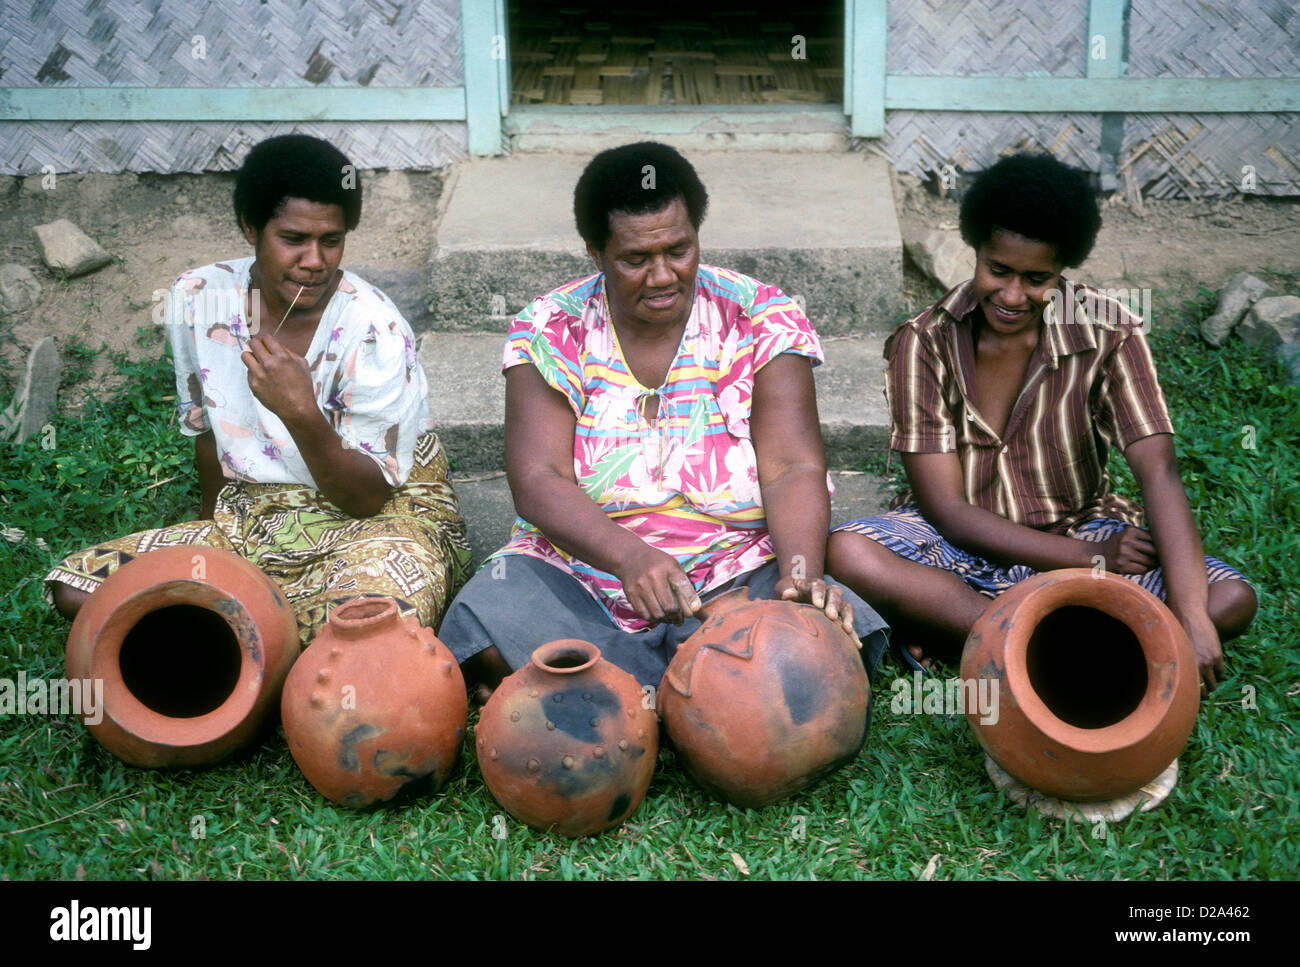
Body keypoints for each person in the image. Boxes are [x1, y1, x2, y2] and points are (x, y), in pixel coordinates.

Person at [439, 141, 889, 695]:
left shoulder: (760, 318)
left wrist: (801, 578)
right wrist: (628, 556)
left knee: (809, 636)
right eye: (635, 259)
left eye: (679, 250)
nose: (661, 277)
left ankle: (628, 685)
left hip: (738, 568)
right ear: (595, 251)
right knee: (488, 624)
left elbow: (793, 466)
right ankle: (704, 679)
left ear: (697, 234)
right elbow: (538, 480)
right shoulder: (551, 328)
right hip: (585, 569)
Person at [827, 152, 1257, 691]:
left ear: (1062, 269)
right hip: (958, 545)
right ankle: (1076, 644)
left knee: (1228, 599)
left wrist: (1194, 615)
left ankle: (976, 635)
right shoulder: (924, 341)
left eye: (1037, 279)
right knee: (846, 552)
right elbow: (949, 511)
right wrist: (1088, 559)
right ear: (976, 250)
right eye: (998, 270)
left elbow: (1159, 474)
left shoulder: (1108, 331)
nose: (1011, 295)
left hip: (1081, 525)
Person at [45, 134, 470, 643]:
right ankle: (270, 631)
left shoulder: (374, 326)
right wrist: (213, 545)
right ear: (251, 228)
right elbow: (206, 430)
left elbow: (367, 497)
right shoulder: (200, 297)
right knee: (80, 589)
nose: (315, 260)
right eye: (293, 238)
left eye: (331, 241)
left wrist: (302, 412)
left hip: (379, 520)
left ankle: (246, 636)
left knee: (379, 619)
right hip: (254, 517)